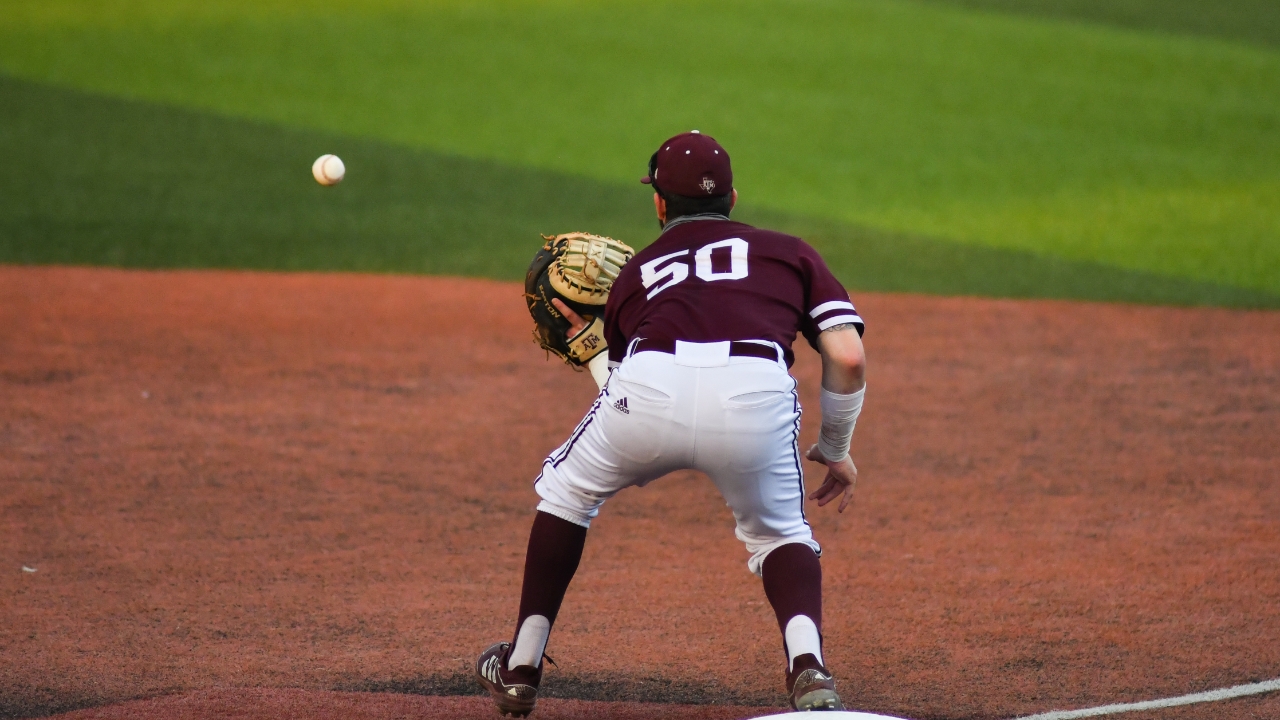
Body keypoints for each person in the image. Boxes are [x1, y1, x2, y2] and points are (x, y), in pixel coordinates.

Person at [476, 131, 867, 716]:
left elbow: (623, 383)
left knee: (567, 497)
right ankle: (808, 667)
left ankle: (521, 667)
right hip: (752, 394)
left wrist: (590, 348)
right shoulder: (790, 253)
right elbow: (848, 356)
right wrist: (834, 445)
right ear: (733, 197)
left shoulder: (638, 272)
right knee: (780, 533)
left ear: (659, 204)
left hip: (649, 390)